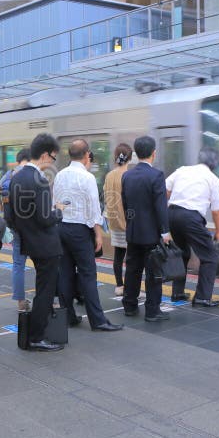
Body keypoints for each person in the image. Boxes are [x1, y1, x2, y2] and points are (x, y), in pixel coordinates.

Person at [53, 139, 122, 332]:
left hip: (61, 227)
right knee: (88, 274)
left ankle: (68, 317)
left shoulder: (59, 175)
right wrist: (98, 234)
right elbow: (93, 208)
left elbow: (55, 202)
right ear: (86, 155)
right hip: (80, 230)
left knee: (65, 273)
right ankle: (98, 321)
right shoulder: (87, 177)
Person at [9, 133, 65, 352]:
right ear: (44, 155)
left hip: (29, 242)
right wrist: (58, 211)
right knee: (45, 292)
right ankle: (37, 337)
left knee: (42, 288)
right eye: (52, 157)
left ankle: (36, 333)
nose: (52, 162)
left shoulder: (17, 177)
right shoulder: (39, 180)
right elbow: (45, 218)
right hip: (46, 245)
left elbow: (12, 215)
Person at [166, 147, 219, 308]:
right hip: (191, 218)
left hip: (172, 214)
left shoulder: (183, 170)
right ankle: (202, 297)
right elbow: (217, 211)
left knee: (183, 253)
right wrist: (218, 232)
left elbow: (165, 189)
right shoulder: (213, 179)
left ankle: (177, 293)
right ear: (215, 163)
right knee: (210, 257)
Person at [121, 136, 170, 322]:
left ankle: (130, 306)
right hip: (151, 234)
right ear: (153, 153)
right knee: (153, 273)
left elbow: (125, 205)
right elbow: (160, 207)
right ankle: (152, 311)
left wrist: (131, 224)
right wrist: (165, 231)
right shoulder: (156, 176)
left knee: (132, 270)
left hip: (133, 232)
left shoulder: (127, 175)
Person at [0, 148, 31, 311]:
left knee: (18, 264)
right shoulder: (34, 174)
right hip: (32, 227)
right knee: (44, 264)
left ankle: (21, 302)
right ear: (31, 159)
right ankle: (50, 300)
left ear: (18, 160)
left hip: (14, 225)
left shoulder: (9, 174)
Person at [103, 143, 133, 297]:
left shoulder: (109, 175)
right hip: (129, 222)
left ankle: (119, 286)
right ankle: (131, 288)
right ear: (130, 158)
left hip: (114, 221)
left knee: (118, 256)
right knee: (132, 257)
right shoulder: (129, 175)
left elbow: (106, 196)